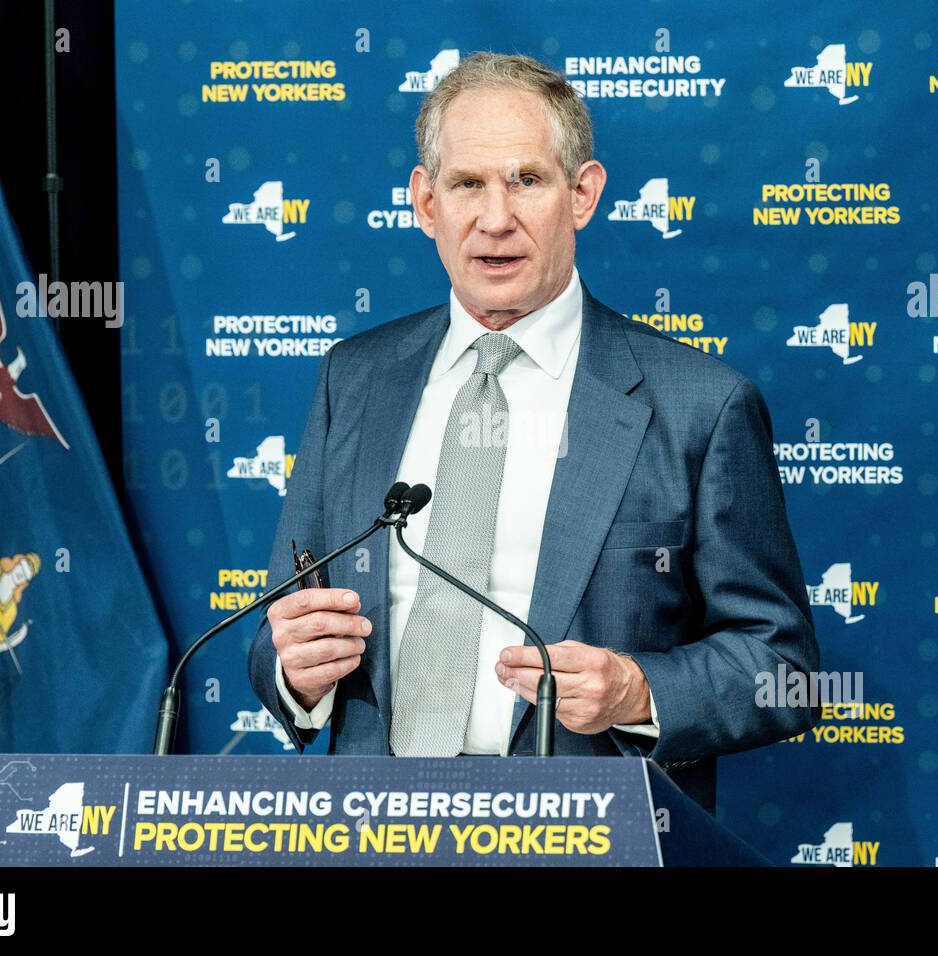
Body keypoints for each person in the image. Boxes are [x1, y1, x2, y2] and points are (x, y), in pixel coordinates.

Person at [248, 52, 817, 810]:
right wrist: (295, 672)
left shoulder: (701, 405)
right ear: (425, 203)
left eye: (525, 180)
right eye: (467, 184)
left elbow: (783, 667)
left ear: (581, 194)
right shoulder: (352, 378)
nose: (494, 219)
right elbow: (280, 629)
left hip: (584, 836)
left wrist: (638, 689)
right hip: (374, 829)